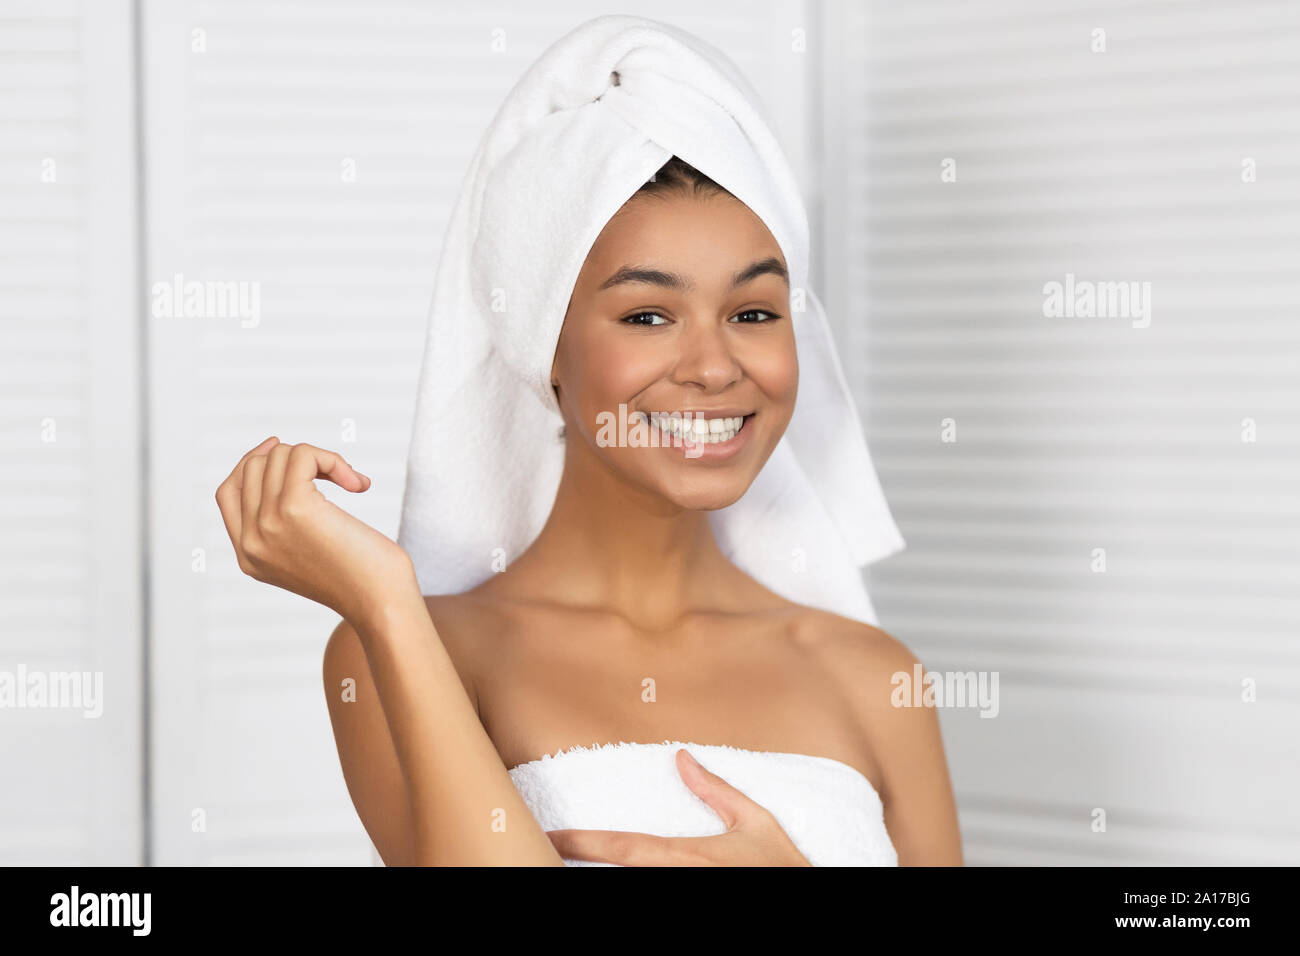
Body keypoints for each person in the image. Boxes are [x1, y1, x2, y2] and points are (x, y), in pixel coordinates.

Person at [214, 154, 963, 866]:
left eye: (753, 312)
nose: (713, 367)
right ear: (545, 351)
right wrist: (385, 602)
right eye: (648, 317)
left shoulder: (876, 677)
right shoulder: (406, 647)